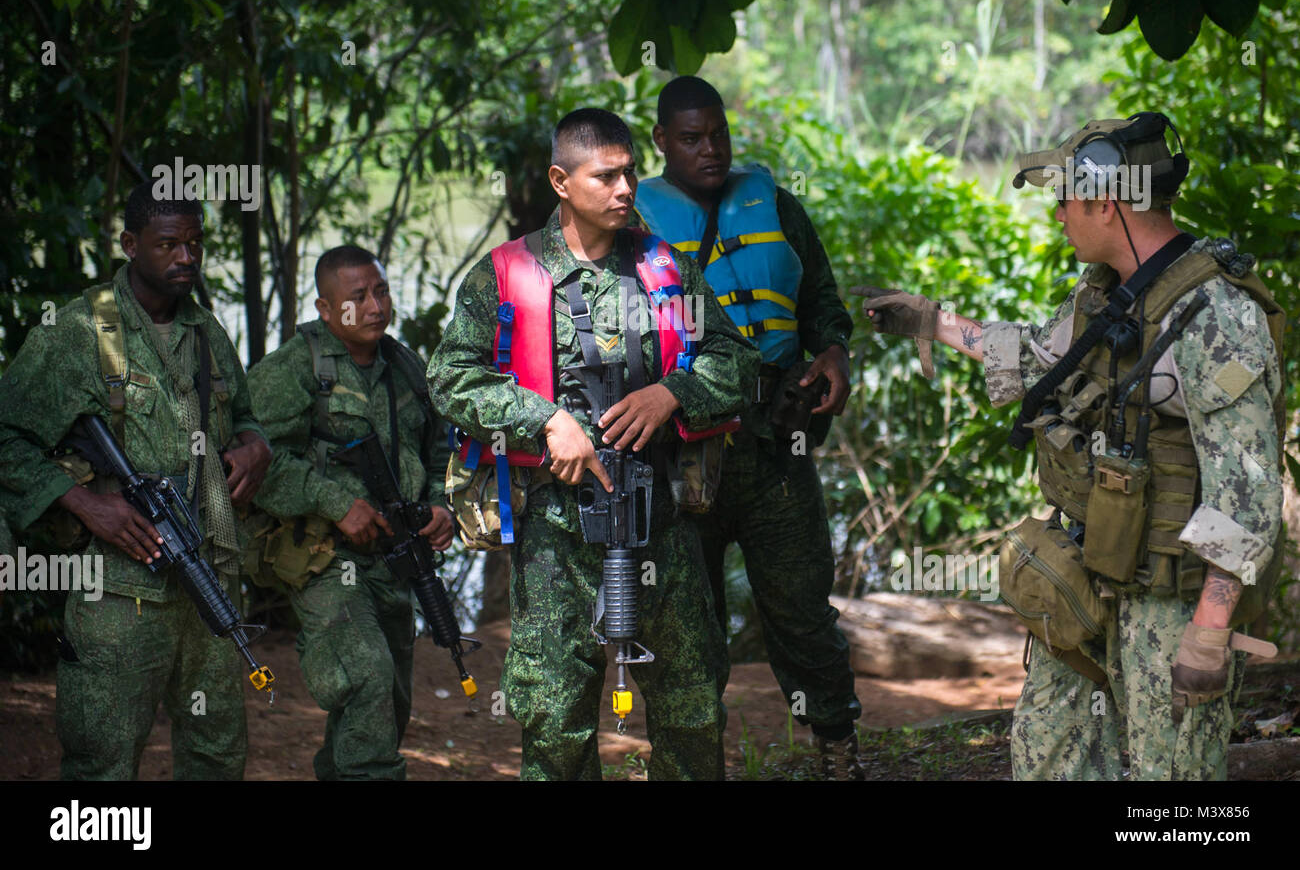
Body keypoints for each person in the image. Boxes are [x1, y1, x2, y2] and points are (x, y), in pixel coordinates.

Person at [858, 113, 1284, 780]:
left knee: (1168, 777)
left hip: (1173, 599)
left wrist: (1208, 632)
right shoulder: (1104, 295)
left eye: (1065, 199)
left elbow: (1247, 482)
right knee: (1047, 748)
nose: (1057, 214)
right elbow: (1037, 356)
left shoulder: (1218, 316)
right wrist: (930, 320)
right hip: (1094, 570)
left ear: (1105, 203)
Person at [428, 108, 758, 780]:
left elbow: (736, 359)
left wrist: (673, 396)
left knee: (694, 706)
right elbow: (451, 375)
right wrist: (543, 419)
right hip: (556, 526)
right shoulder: (506, 274)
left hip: (658, 516)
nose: (625, 187)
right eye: (605, 175)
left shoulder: (664, 267)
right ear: (560, 180)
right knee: (554, 716)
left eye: (629, 172)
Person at [632, 76, 864, 778]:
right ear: (662, 141)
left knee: (800, 612)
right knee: (684, 630)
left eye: (719, 133)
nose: (711, 149)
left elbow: (822, 299)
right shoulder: (632, 222)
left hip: (775, 446)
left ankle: (836, 747)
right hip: (680, 457)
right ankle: (691, 764)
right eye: (692, 138)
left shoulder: (776, 205)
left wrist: (833, 352)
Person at [0, 182, 272, 780]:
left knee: (216, 754)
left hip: (209, 574)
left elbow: (244, 414)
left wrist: (257, 447)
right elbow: (8, 436)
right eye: (168, 244)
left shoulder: (207, 332)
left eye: (196, 244)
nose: (186, 258)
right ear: (129, 244)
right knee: (103, 760)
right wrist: (83, 504)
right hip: (119, 591)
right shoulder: (77, 332)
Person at [246, 245, 454, 781]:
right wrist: (335, 503)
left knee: (391, 701)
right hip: (321, 557)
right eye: (356, 297)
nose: (374, 306)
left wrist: (439, 503)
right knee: (366, 673)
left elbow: (440, 448)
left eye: (380, 291)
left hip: (395, 558)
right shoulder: (294, 368)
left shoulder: (404, 366)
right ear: (324, 307)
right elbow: (252, 459)